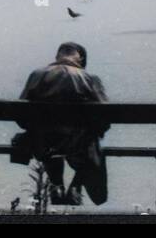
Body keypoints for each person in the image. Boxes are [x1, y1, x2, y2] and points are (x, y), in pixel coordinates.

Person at [16, 42, 111, 205]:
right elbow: (105, 114)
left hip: (42, 143)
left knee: (49, 136)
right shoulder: (89, 78)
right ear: (80, 58)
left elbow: (20, 113)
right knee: (90, 137)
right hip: (78, 144)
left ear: (58, 56)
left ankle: (56, 186)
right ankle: (76, 185)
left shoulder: (36, 75)